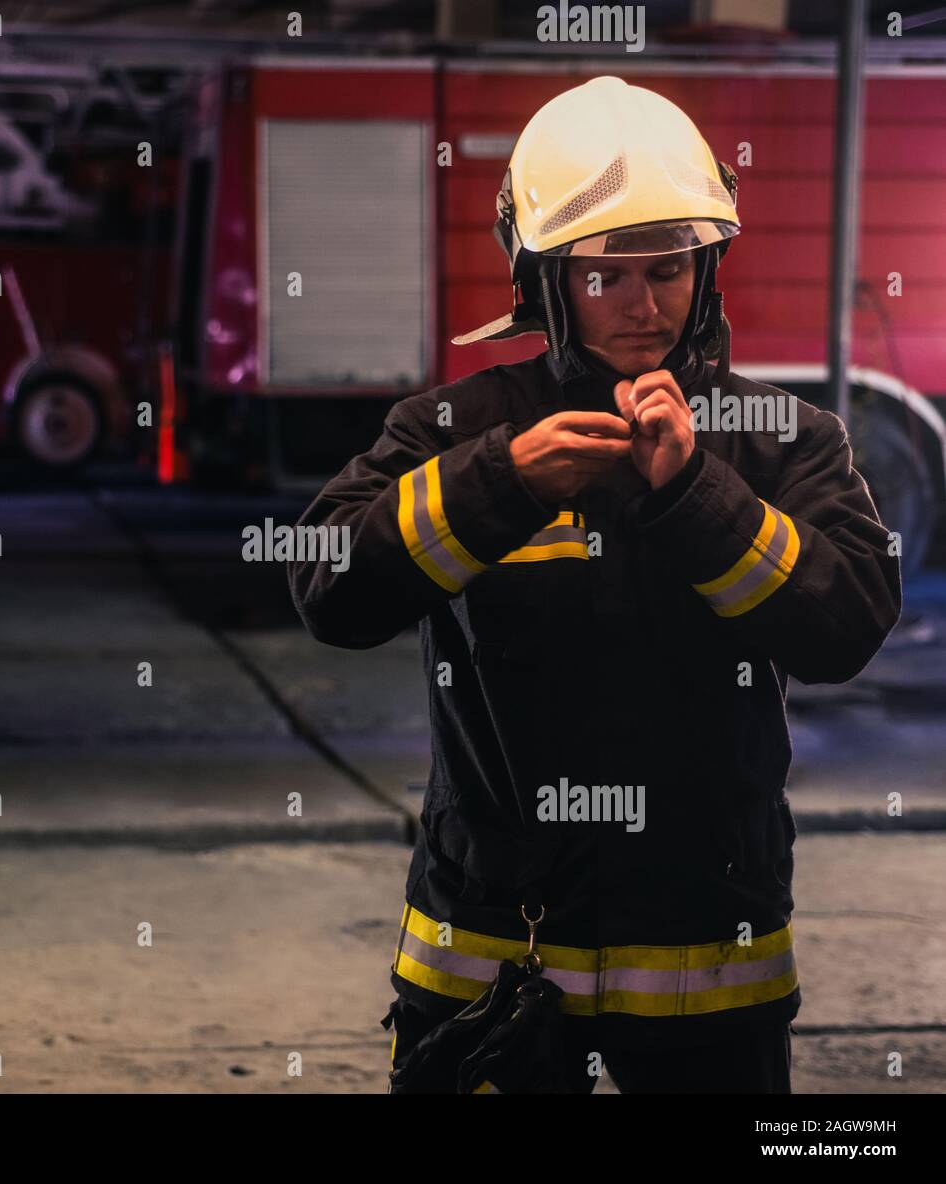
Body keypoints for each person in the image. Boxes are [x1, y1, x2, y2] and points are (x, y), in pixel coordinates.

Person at [286, 75, 901, 1093]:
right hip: (490, 950)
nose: (642, 303)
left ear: (706, 272)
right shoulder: (456, 428)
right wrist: (501, 483)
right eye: (603, 275)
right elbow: (329, 590)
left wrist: (696, 494)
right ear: (545, 283)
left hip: (712, 948)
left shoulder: (783, 440)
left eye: (667, 269)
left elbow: (843, 628)